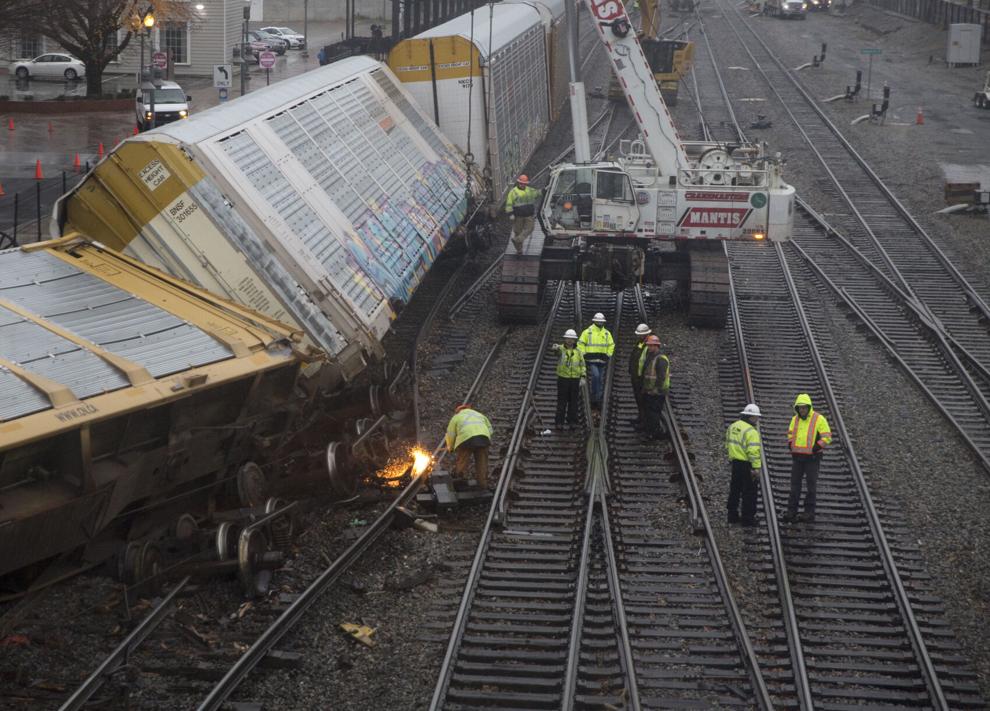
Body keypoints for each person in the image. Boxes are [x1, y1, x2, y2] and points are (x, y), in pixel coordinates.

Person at [783, 393, 831, 523]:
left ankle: (808, 513)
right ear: (797, 408)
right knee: (795, 485)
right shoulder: (795, 419)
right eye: (800, 407)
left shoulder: (819, 419)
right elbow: (790, 433)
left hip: (813, 458)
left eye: (804, 407)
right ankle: (791, 511)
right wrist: (790, 443)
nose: (802, 410)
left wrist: (817, 447)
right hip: (798, 457)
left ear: (809, 407)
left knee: (811, 486)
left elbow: (827, 436)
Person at [726, 404, 763, 527]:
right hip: (747, 465)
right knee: (750, 492)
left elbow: (728, 444)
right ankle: (747, 518)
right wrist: (756, 468)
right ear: (750, 417)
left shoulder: (733, 426)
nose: (757, 420)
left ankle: (732, 515)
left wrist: (731, 457)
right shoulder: (751, 431)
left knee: (735, 489)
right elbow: (753, 452)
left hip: (736, 463)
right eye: (756, 417)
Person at [445, 404, 493, 487]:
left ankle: (460, 483)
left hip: (466, 440)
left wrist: (450, 447)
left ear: (458, 411)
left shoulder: (456, 417)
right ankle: (482, 484)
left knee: (462, 461)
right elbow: (490, 430)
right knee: (482, 463)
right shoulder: (479, 414)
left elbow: (451, 435)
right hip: (483, 438)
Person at [578, 313, 615, 408]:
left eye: (601, 322)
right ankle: (595, 397)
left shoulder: (606, 333)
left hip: (602, 360)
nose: (599, 323)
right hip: (591, 360)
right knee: (596, 376)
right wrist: (584, 354)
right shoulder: (587, 332)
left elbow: (611, 345)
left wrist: (608, 354)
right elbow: (580, 344)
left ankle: (596, 398)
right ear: (594, 321)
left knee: (599, 379)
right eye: (598, 321)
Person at [638, 335, 669, 440]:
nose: (649, 348)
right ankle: (650, 431)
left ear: (657, 346)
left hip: (657, 392)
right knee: (649, 412)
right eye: (649, 346)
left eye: (651, 346)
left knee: (654, 413)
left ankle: (654, 433)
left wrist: (656, 389)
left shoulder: (661, 359)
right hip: (649, 390)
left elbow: (661, 377)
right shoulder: (651, 356)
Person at [553, 329, 585, 428]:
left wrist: (583, 376)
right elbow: (556, 352)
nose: (570, 340)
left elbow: (582, 364)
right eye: (568, 338)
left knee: (573, 402)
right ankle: (559, 422)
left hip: (575, 379)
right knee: (562, 401)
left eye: (572, 339)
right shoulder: (561, 349)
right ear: (565, 339)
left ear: (575, 340)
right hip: (563, 379)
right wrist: (555, 348)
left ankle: (572, 422)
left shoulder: (579, 351)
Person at [504, 175, 541, 253]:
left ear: (526, 183)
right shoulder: (513, 192)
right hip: (518, 216)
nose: (522, 184)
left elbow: (538, 193)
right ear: (518, 183)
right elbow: (509, 204)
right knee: (517, 231)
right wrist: (510, 214)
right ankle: (519, 250)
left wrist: (545, 189)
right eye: (521, 183)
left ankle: (517, 240)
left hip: (528, 215)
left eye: (524, 183)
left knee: (530, 228)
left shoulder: (530, 190)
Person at [628, 323, 652, 427]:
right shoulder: (640, 343)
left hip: (642, 378)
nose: (639, 336)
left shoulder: (649, 345)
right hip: (636, 376)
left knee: (644, 400)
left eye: (641, 335)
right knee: (638, 399)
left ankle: (644, 421)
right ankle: (641, 418)